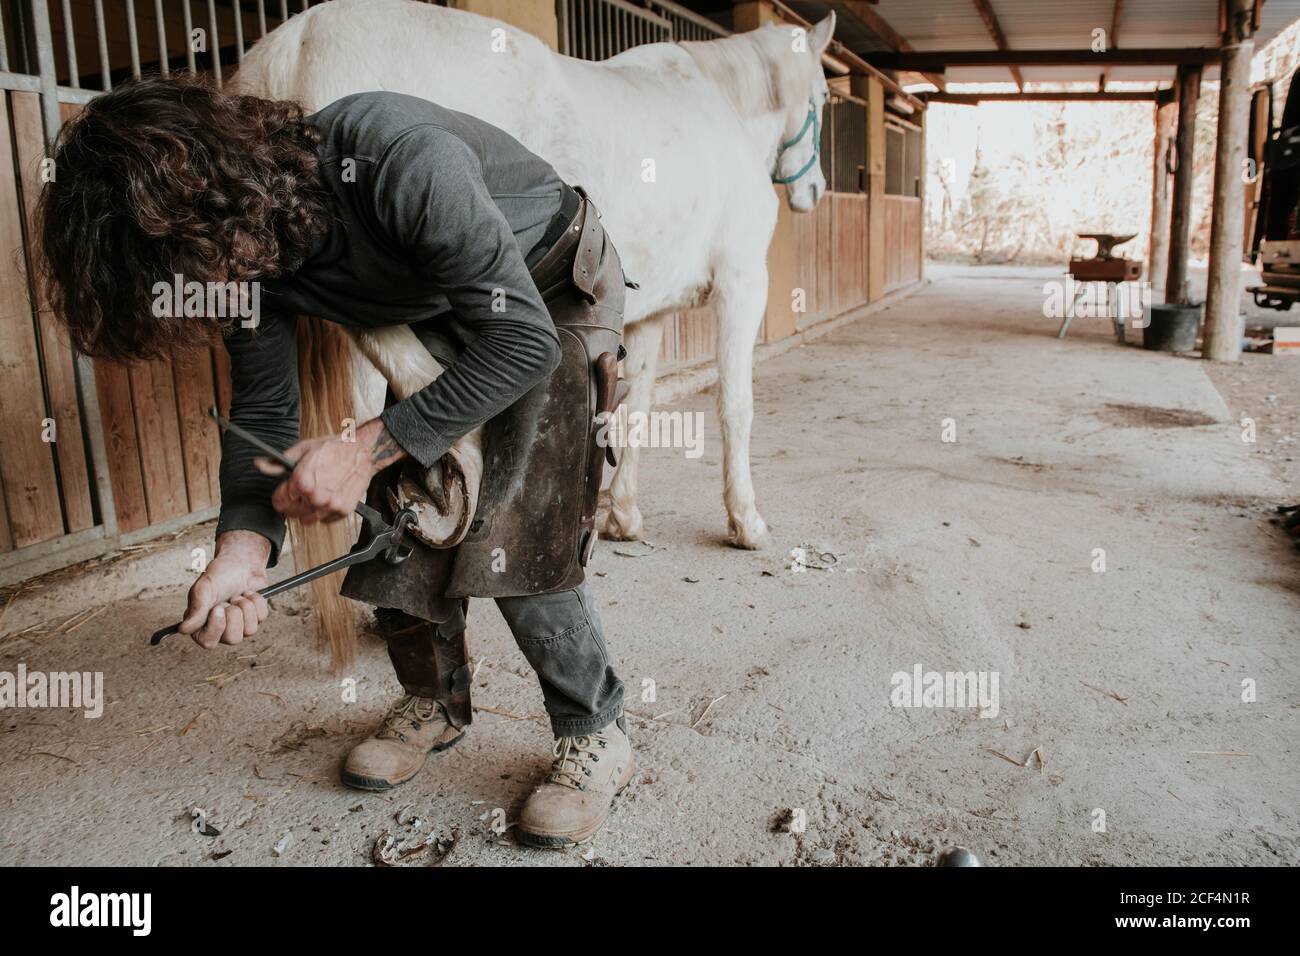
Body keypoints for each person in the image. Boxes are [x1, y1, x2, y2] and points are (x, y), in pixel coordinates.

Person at [38, 74, 632, 847]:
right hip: (448, 311)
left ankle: (594, 730)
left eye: (185, 274)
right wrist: (240, 553)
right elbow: (262, 414)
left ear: (210, 202)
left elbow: (521, 342)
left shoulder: (398, 160)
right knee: (400, 506)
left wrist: (364, 445)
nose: (199, 297)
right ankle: (434, 702)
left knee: (510, 515)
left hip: (547, 295)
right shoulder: (245, 260)